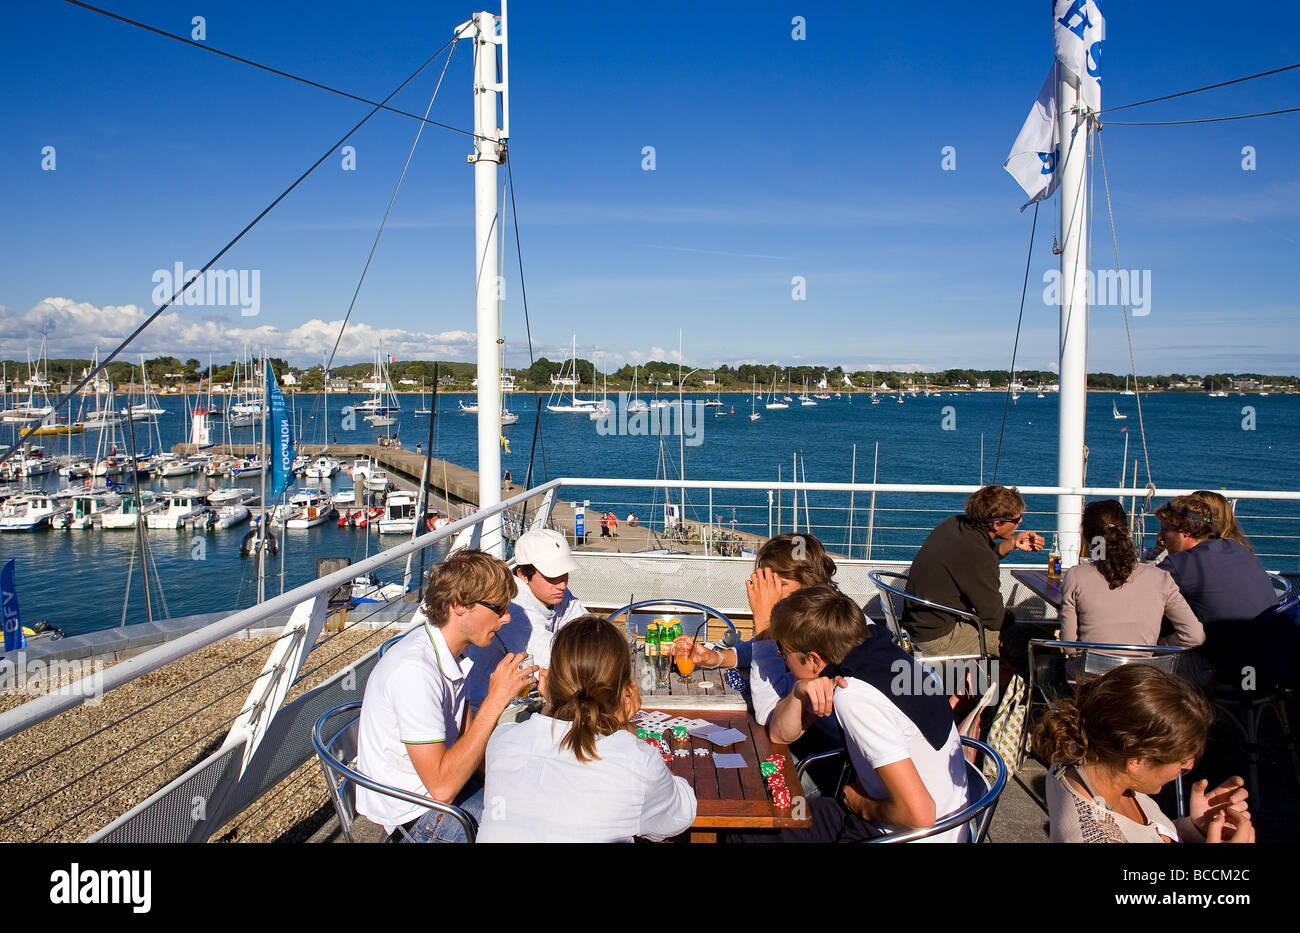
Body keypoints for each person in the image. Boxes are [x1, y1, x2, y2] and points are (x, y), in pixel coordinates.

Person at [744, 585, 970, 842]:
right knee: (766, 819)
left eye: (783, 652)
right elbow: (779, 734)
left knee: (747, 833)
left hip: (905, 833)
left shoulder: (853, 695)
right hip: (948, 814)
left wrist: (862, 805)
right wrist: (799, 691)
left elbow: (920, 814)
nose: (782, 660)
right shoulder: (875, 647)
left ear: (815, 660)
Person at [355, 550, 536, 842]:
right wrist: (495, 700)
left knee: (532, 803)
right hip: (416, 816)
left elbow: (466, 737)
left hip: (438, 794)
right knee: (521, 830)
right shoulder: (415, 672)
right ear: (459, 605)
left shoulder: (452, 654)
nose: (506, 618)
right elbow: (442, 788)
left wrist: (506, 786)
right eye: (498, 608)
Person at [478, 615, 697, 842]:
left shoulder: (502, 741)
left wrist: (550, 705)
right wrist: (624, 727)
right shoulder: (636, 759)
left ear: (551, 679)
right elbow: (680, 816)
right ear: (623, 690)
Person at [1033, 664, 1253, 843]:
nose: (1189, 765)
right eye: (1181, 758)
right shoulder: (1096, 837)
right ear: (1137, 761)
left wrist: (1194, 829)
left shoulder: (1087, 756)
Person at [902, 484, 1044, 665]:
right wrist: (1011, 617)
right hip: (938, 641)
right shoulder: (978, 554)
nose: (1021, 522)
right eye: (1016, 520)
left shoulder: (954, 524)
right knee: (1029, 641)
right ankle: (985, 688)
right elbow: (993, 619)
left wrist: (1013, 542)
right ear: (996, 524)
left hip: (920, 627)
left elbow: (976, 560)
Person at [1155, 496, 1277, 677]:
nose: (1160, 538)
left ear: (1186, 531)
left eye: (1165, 530)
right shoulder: (1234, 546)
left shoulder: (1178, 565)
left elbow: (1141, 593)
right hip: (1272, 656)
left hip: (1226, 666)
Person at [465, 527, 587, 705]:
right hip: (491, 707)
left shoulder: (550, 590)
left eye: (564, 574)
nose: (561, 584)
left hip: (529, 695)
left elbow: (589, 627)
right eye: (552, 576)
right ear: (523, 575)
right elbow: (556, 665)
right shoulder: (514, 608)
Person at [1059, 500, 1203, 647]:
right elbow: (1194, 635)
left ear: (1087, 536)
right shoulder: (1160, 578)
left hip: (1089, 668)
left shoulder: (1076, 576)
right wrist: (1157, 646)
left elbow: (1068, 644)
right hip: (1143, 668)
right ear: (1126, 531)